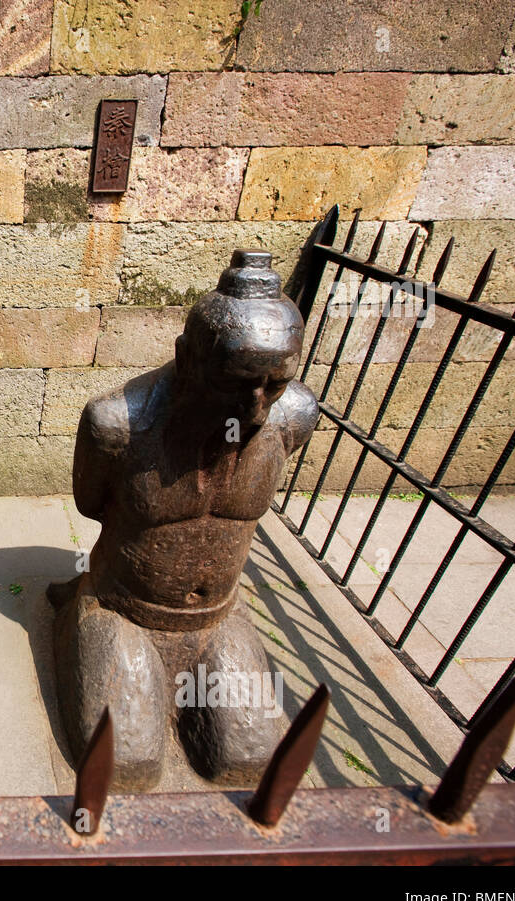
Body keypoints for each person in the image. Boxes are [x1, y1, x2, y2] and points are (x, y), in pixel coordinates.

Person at [48, 250, 318, 787]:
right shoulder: (118, 425)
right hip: (123, 608)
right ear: (188, 358)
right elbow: (90, 503)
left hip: (218, 615)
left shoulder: (294, 418)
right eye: (236, 382)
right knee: (127, 763)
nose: (256, 407)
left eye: (274, 383)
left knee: (248, 756)